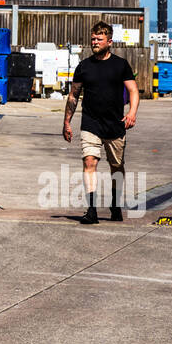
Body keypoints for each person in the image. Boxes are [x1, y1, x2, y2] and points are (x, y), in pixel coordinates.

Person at [63, 22, 139, 224]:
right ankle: (92, 210)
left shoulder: (120, 65)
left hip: (115, 124)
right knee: (89, 162)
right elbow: (73, 96)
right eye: (93, 39)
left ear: (109, 42)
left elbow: (133, 90)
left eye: (99, 39)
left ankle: (115, 205)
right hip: (91, 123)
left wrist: (131, 112)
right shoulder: (83, 67)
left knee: (117, 166)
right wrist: (67, 122)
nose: (95, 42)